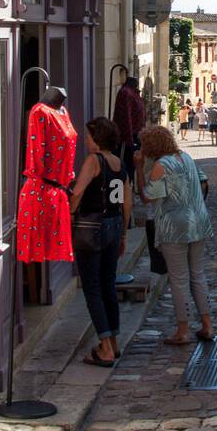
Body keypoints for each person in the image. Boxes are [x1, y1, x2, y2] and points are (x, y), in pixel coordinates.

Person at [139, 125, 215, 346]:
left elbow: (148, 197)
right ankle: (207, 324)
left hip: (175, 227)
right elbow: (204, 181)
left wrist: (138, 167)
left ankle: (183, 330)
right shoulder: (187, 157)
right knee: (198, 275)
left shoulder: (161, 166)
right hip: (198, 221)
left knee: (179, 279)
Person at [71, 117, 131, 367]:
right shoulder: (118, 164)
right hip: (114, 225)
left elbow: (77, 192)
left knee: (93, 287)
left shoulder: (93, 161)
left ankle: (105, 347)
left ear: (97, 139)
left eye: (88, 136)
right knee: (108, 285)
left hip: (92, 227)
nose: (85, 140)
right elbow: (126, 201)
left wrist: (70, 213)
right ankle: (114, 341)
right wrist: (124, 233)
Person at [112, 75, 145, 187]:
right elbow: (126, 118)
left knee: (131, 167)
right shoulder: (126, 93)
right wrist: (129, 139)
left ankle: (126, 194)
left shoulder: (132, 93)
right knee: (123, 167)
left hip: (134, 136)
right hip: (127, 138)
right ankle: (119, 197)